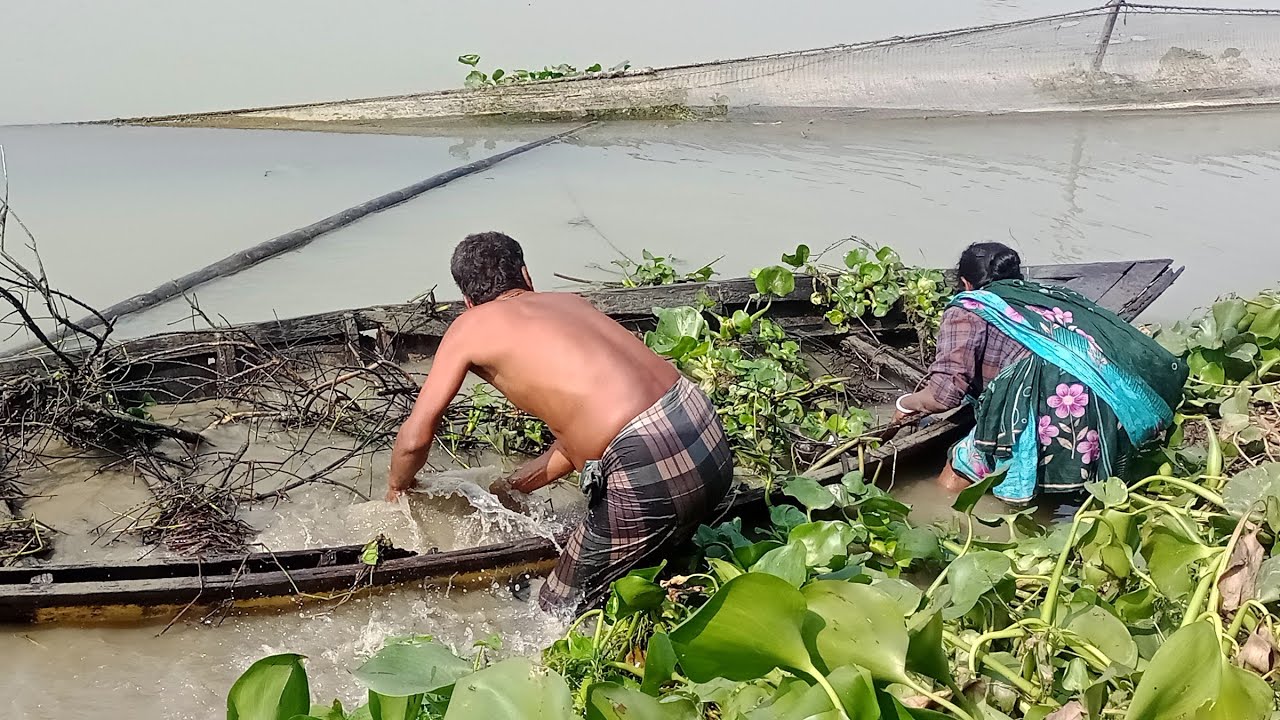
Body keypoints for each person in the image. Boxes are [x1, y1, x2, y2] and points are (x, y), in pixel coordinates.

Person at [385, 232, 734, 612]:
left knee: (555, 604)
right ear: (526, 276)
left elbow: (415, 439)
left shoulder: (469, 328)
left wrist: (396, 492)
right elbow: (582, 436)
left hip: (648, 461)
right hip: (707, 431)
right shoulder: (570, 303)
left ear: (467, 301)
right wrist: (514, 487)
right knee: (640, 556)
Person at [895, 242, 1187, 505]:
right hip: (1110, 410)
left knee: (953, 479)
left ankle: (937, 516)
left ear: (965, 283)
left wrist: (904, 405)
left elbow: (946, 393)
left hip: (1050, 405)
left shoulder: (967, 309)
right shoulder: (1048, 296)